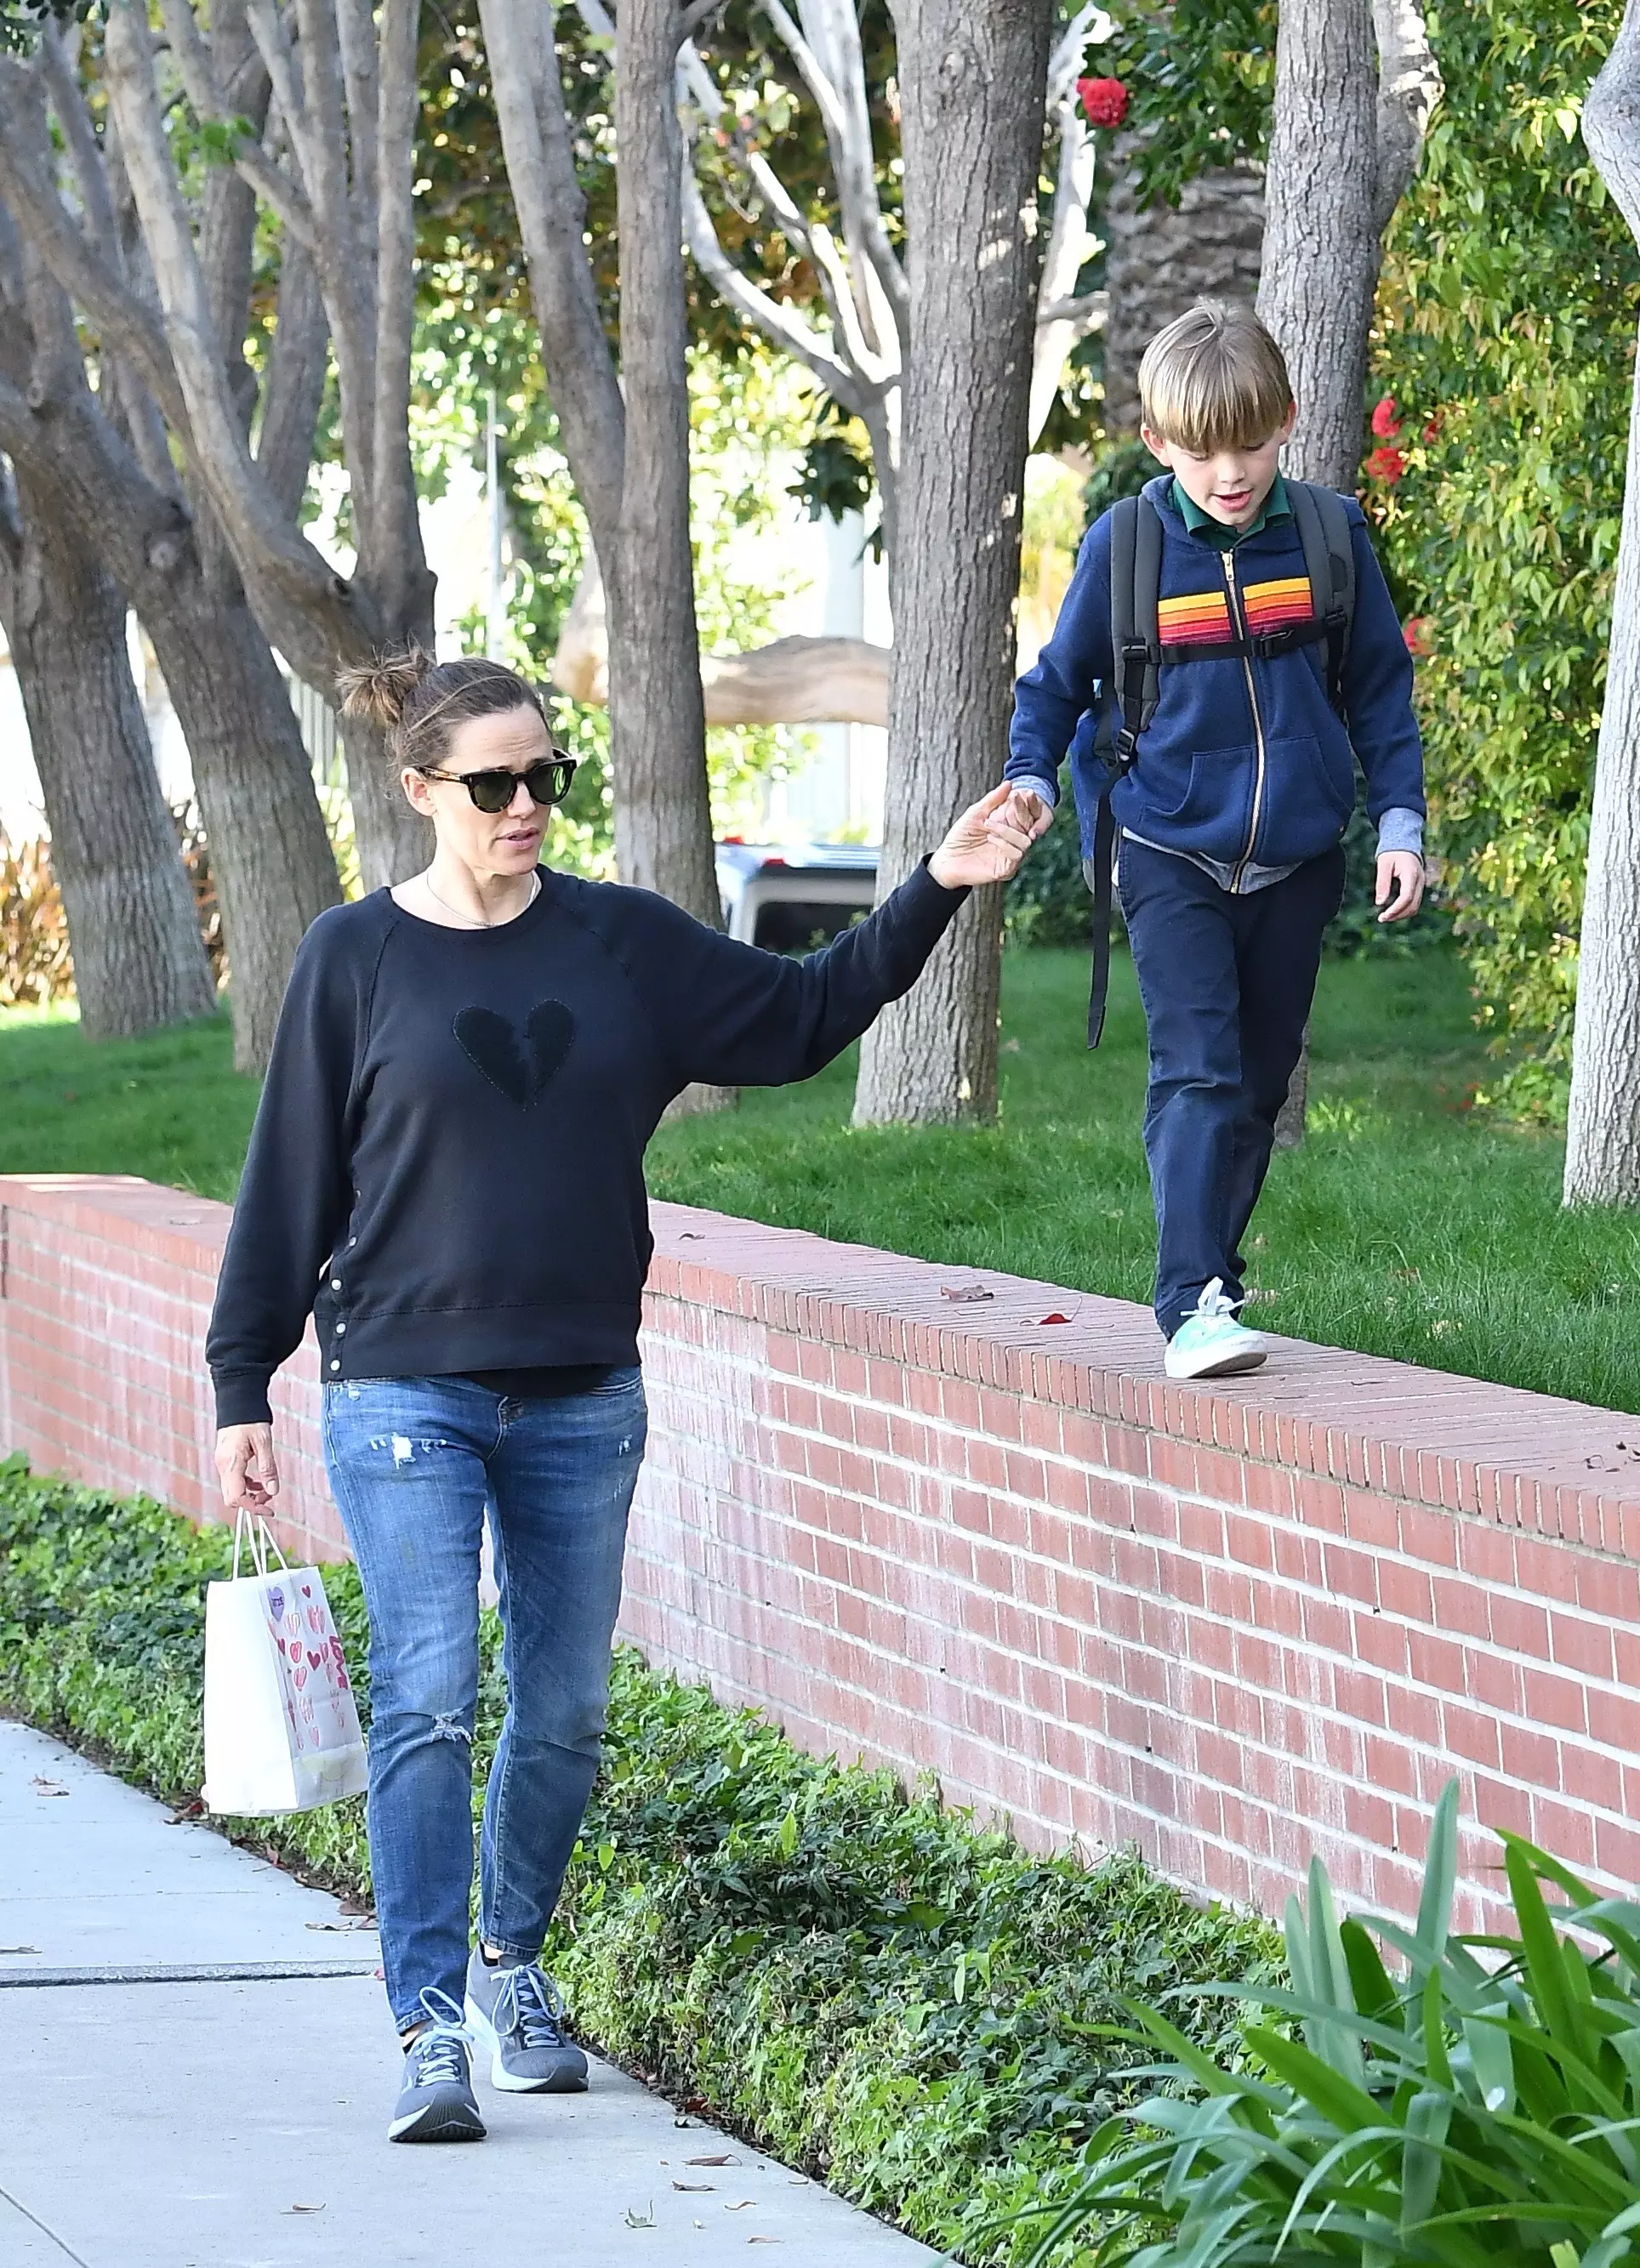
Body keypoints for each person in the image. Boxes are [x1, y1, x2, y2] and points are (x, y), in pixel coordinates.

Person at [208, 647, 1034, 2145]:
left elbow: (795, 1017)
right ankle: (426, 2025)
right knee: (431, 1694)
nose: (527, 805)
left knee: (568, 1708)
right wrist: (237, 1379)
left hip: (583, 1390)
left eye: (546, 777)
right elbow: (288, 1184)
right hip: (402, 1387)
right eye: (494, 783)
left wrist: (936, 881)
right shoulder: (353, 957)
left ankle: (513, 1957)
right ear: (420, 793)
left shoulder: (620, 946)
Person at [999, 299, 1426, 1382]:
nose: (1226, 471)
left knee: (1260, 1076)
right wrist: (1026, 777)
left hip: (1294, 854)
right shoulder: (1128, 545)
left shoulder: (1327, 537)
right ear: (1157, 443)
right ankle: (1188, 1299)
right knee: (1196, 1068)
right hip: (1166, 846)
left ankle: (1215, 1282)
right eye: (1198, 450)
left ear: (1285, 420)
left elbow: (1378, 690)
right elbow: (1055, 686)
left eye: (1248, 442)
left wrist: (1398, 821)